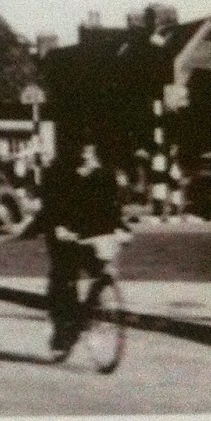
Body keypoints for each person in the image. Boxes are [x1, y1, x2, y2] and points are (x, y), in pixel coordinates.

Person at [28, 140, 127, 356]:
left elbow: (113, 207)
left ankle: (88, 314)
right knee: (65, 277)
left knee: (101, 271)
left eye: (90, 152)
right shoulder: (57, 173)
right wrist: (58, 227)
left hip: (92, 233)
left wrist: (122, 228)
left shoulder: (104, 176)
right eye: (82, 151)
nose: (86, 157)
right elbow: (50, 205)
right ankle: (61, 331)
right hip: (62, 232)